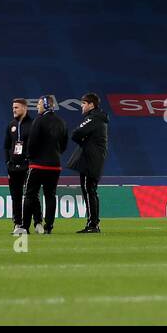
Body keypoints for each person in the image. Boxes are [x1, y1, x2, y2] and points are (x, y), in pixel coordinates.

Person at [16, 95, 67, 235]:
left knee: (30, 195)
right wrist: (55, 154)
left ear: (45, 105)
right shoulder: (62, 122)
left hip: (38, 165)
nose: (37, 107)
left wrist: (30, 157)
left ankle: (25, 227)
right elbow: (64, 145)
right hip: (55, 165)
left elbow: (32, 143)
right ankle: (48, 227)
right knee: (50, 196)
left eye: (38, 104)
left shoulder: (38, 120)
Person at [68, 93, 108, 234]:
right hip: (94, 158)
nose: (82, 106)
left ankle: (93, 224)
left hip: (90, 159)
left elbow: (76, 133)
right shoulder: (98, 118)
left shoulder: (93, 118)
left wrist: (83, 142)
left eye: (83, 103)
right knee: (89, 190)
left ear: (91, 105)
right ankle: (92, 222)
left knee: (89, 190)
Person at [4, 98, 41, 233]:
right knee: (16, 196)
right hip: (13, 166)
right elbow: (7, 146)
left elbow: (37, 146)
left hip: (28, 166)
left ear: (25, 108)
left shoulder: (33, 124)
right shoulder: (11, 125)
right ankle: (17, 223)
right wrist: (8, 163)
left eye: (17, 107)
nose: (14, 110)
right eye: (13, 107)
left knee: (32, 195)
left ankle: (38, 222)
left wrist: (31, 161)